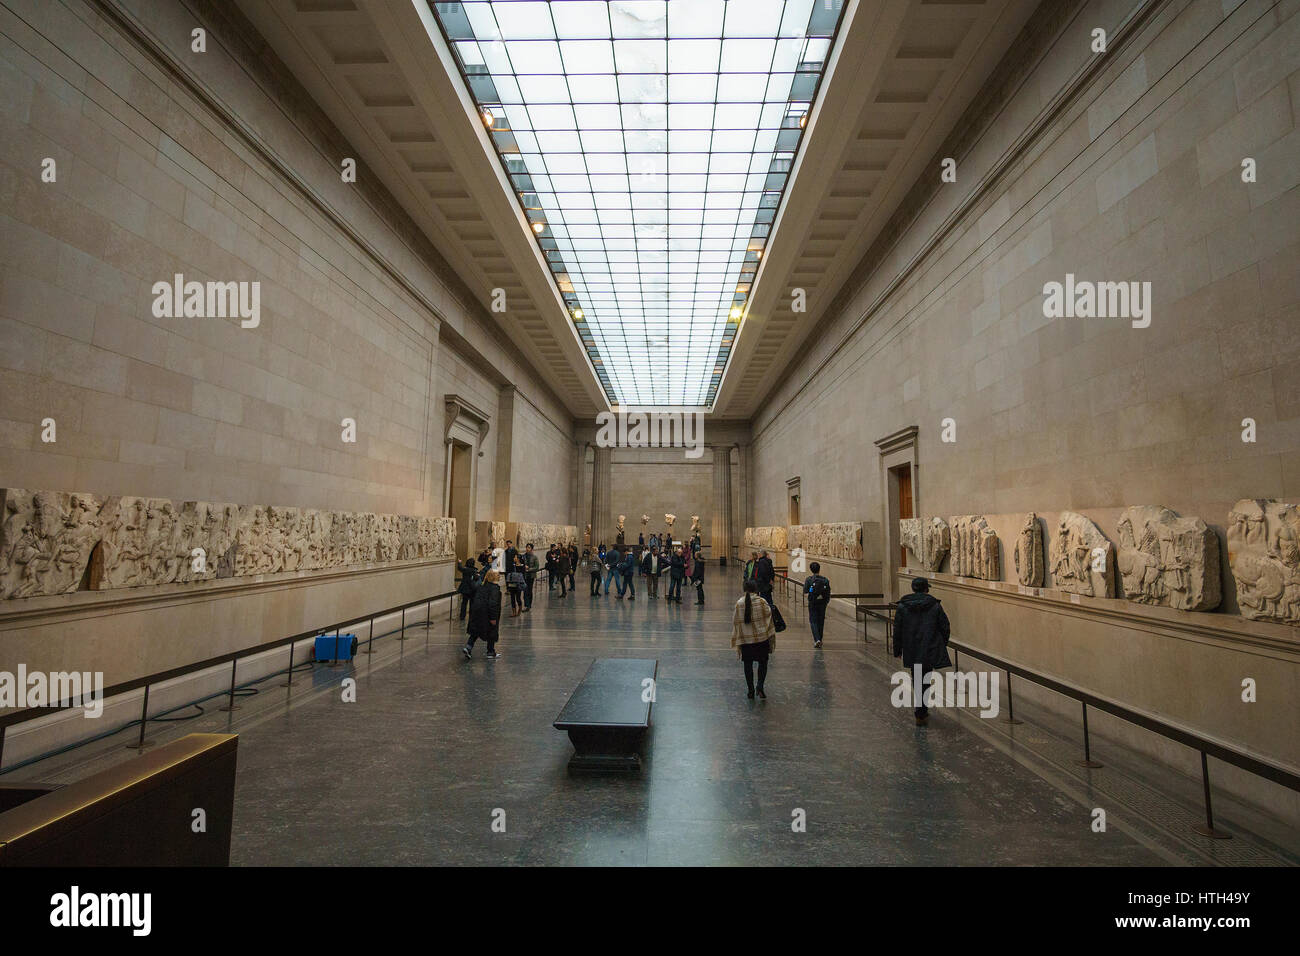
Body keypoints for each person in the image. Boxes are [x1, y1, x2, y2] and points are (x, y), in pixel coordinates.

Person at [892, 577, 952, 724]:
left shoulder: (903, 607)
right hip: (929, 647)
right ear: (926, 589)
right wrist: (940, 643)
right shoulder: (935, 606)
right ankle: (921, 710)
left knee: (917, 678)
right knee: (925, 678)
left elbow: (897, 630)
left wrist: (897, 649)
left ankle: (920, 711)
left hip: (912, 647)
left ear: (913, 589)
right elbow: (945, 627)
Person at [731, 579, 775, 699]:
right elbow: (768, 616)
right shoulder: (762, 601)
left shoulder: (739, 603)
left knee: (748, 665)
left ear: (744, 589)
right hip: (761, 639)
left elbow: (736, 621)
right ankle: (760, 686)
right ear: (756, 589)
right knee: (763, 663)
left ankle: (750, 690)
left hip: (746, 640)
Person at [463, 569, 502, 660]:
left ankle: (468, 647)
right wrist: (493, 617)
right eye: (498, 574)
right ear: (493, 576)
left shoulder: (483, 586)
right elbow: (493, 604)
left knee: (476, 631)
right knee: (492, 632)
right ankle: (490, 651)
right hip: (488, 615)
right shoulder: (494, 588)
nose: (499, 576)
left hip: (479, 613)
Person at [804, 561, 832, 648]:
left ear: (811, 570)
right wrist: (826, 601)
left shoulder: (809, 579)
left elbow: (805, 591)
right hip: (822, 603)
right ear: (819, 569)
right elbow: (828, 591)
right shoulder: (825, 580)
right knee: (821, 621)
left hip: (813, 602)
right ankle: (820, 638)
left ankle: (817, 640)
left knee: (813, 621)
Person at [456, 557, 478, 621]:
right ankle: (471, 615)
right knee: (472, 603)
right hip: (472, 589)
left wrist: (459, 562)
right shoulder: (474, 570)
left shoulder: (466, 569)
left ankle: (462, 616)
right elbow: (476, 578)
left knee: (464, 603)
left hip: (465, 589)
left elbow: (460, 568)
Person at [522, 543, 539, 612]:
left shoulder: (534, 557)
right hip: (524, 576)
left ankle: (529, 605)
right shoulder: (523, 557)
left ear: (531, 549)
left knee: (529, 590)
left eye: (529, 547)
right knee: (525, 590)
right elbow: (520, 564)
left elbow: (536, 567)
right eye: (526, 547)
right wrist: (523, 567)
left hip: (531, 576)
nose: (527, 549)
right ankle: (526, 605)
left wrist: (529, 569)